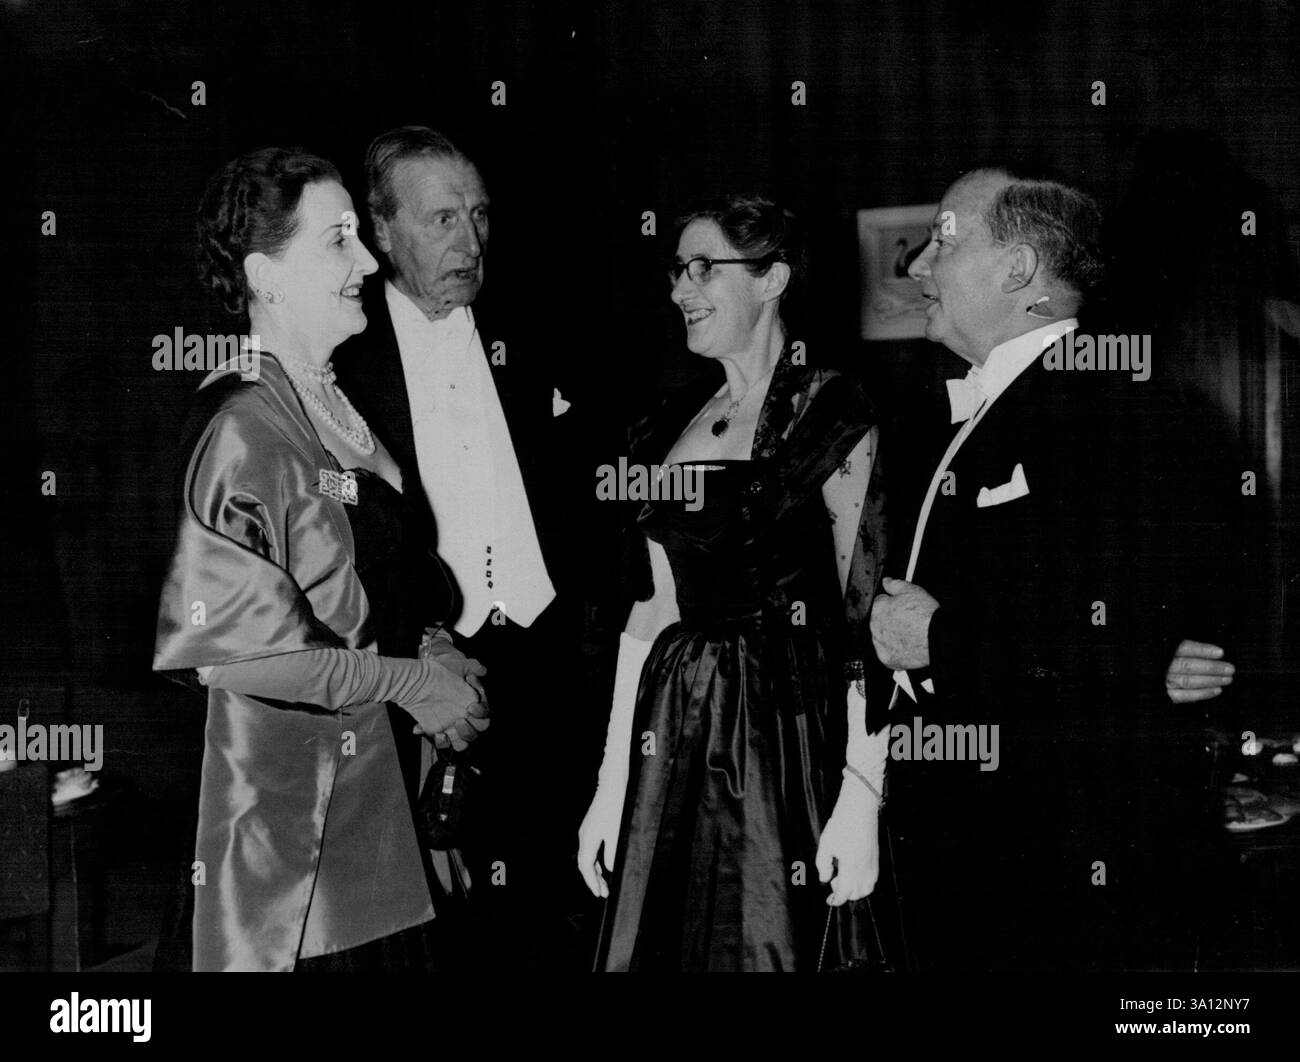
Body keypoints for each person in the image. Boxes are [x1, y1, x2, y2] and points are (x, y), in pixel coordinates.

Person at [870, 165, 1229, 970]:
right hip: (968, 836)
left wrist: (941, 640)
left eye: (943, 241)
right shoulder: (952, 411)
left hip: (1064, 855)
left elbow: (1129, 634)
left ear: (1019, 269)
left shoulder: (1118, 401)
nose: (917, 264)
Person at [153, 147, 489, 971]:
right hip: (295, 846)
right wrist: (416, 686)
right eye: (338, 240)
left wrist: (435, 644)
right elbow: (241, 658)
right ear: (265, 275)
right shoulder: (244, 425)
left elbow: (384, 570)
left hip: (378, 808)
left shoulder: (339, 402)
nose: (369, 260)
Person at [577, 195, 893, 971]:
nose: (680, 289)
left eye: (703, 268)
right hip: (678, 717)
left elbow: (870, 613)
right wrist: (612, 781)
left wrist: (863, 792)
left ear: (772, 278)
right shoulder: (661, 425)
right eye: (676, 270)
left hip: (791, 727)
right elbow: (650, 612)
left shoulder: (834, 412)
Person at [332, 126, 593, 965]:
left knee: (557, 911)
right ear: (381, 230)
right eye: (442, 219)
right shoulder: (340, 359)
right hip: (424, 674)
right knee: (436, 927)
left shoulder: (540, 331)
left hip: (551, 662)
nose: (470, 242)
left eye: (479, 216)